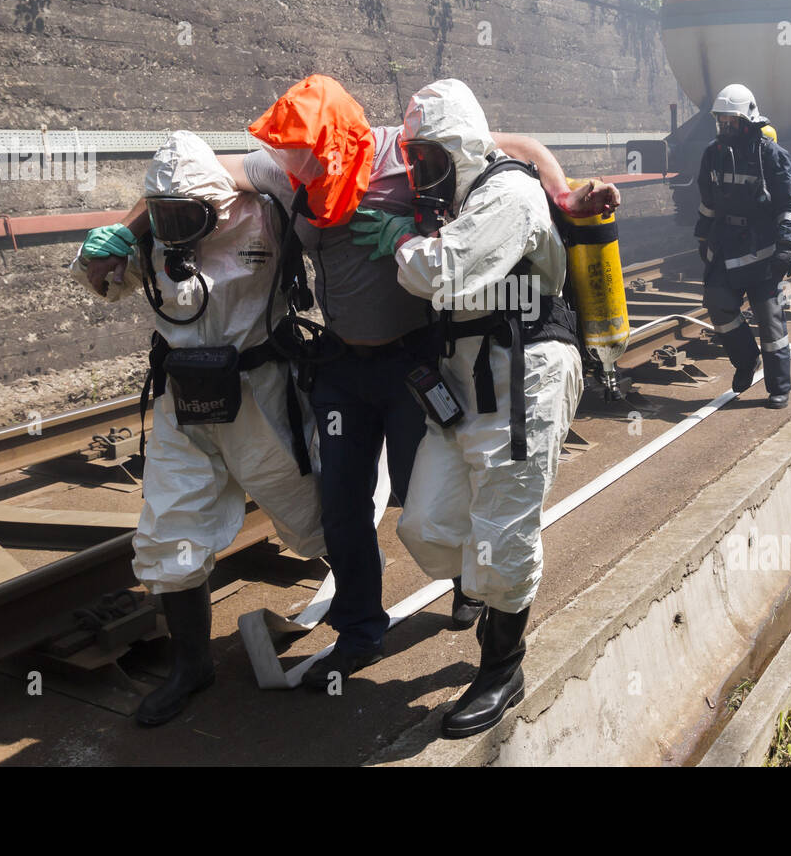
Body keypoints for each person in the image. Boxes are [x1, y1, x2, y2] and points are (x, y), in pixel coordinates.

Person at [82, 76, 619, 694]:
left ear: (343, 140)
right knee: (341, 504)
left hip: (415, 365)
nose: (294, 170)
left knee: (436, 499)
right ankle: (360, 628)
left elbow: (514, 145)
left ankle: (472, 591)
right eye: (289, 159)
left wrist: (564, 193)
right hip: (340, 366)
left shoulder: (401, 150)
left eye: (308, 158)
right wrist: (130, 228)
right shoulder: (290, 170)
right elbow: (194, 173)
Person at [349, 79, 584, 739]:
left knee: (505, 535)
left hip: (524, 377)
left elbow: (441, 273)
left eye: (430, 162)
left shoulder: (508, 193)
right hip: (459, 380)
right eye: (414, 163)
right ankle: (487, 586)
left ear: (463, 150)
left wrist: (400, 239)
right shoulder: (458, 198)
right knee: (423, 522)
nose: (420, 176)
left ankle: (502, 667)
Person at [74, 130, 325, 726]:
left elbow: (303, 178)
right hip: (184, 405)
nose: (176, 227)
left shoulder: (264, 214)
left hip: (260, 399)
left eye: (189, 214)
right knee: (170, 535)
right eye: (164, 215)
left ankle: (362, 619)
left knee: (316, 518)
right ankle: (193, 664)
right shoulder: (155, 234)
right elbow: (103, 285)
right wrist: (100, 253)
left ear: (219, 203)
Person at [694, 83, 791, 410]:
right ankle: (745, 361)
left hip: (763, 252)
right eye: (721, 121)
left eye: (731, 122)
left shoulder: (770, 153)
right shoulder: (712, 154)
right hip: (725, 247)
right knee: (718, 304)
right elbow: (707, 201)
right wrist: (703, 236)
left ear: (747, 120)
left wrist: (786, 244)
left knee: (770, 322)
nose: (725, 128)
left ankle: (778, 387)